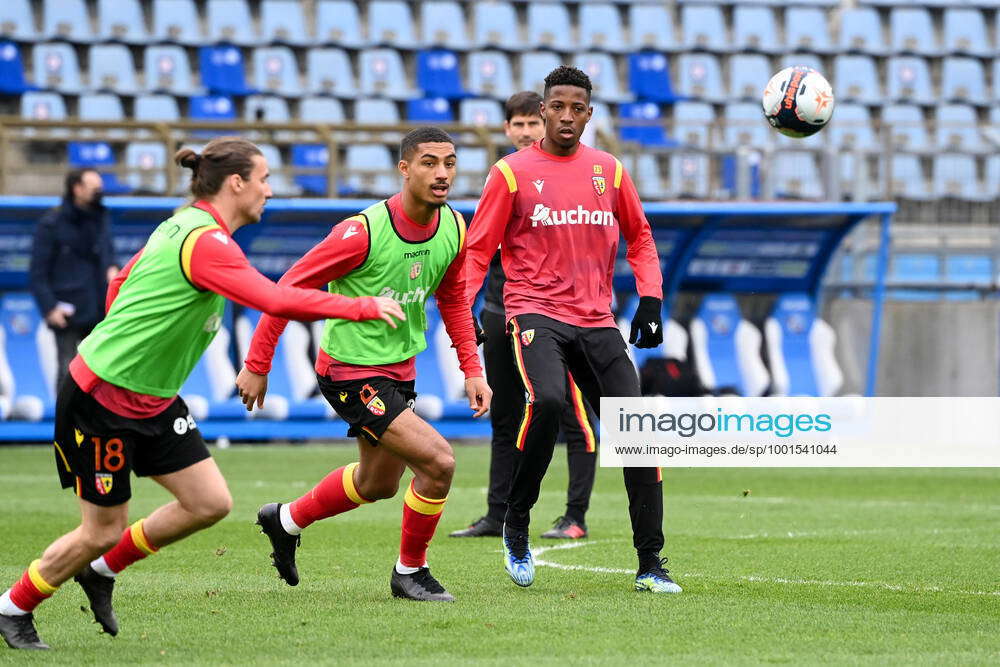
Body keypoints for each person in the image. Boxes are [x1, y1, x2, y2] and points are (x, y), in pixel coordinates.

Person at [0, 137, 404, 650]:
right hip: (101, 398)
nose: (270, 192)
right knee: (101, 527)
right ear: (236, 183)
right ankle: (13, 606)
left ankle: (101, 570)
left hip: (153, 396)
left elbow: (120, 284)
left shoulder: (184, 222)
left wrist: (132, 334)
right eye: (264, 180)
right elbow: (272, 297)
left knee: (208, 502)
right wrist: (361, 306)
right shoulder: (205, 242)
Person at [236, 127, 491, 603]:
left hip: (400, 370)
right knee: (438, 463)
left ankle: (284, 520)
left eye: (450, 163)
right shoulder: (362, 233)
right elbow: (286, 290)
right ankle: (410, 572)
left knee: (377, 485)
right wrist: (258, 363)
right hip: (351, 372)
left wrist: (471, 369)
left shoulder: (455, 226)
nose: (442, 174)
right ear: (404, 169)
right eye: (430, 163)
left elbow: (454, 299)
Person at [464, 67, 682, 594]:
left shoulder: (609, 170)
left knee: (634, 431)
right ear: (542, 111)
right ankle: (517, 523)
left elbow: (642, 237)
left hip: (596, 319)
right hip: (534, 312)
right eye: (556, 106)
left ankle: (650, 562)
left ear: (589, 113)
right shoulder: (511, 173)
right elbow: (477, 248)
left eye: (576, 108)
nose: (566, 116)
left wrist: (651, 296)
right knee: (550, 404)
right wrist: (463, 308)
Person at [451, 91, 598, 541]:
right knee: (505, 415)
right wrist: (469, 307)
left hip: (558, 314)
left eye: (532, 124)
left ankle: (575, 515)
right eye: (517, 125)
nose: (525, 132)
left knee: (575, 414)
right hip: (500, 311)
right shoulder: (503, 178)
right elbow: (479, 248)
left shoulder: (568, 179)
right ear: (507, 130)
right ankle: (497, 514)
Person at [30, 168, 120, 389]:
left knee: (103, 372)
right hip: (67, 310)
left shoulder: (101, 217)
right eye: (93, 188)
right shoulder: (52, 222)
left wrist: (113, 270)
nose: (99, 193)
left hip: (99, 308)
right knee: (68, 372)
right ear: (77, 189)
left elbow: (109, 256)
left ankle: (99, 423)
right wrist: (50, 308)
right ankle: (66, 422)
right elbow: (37, 271)